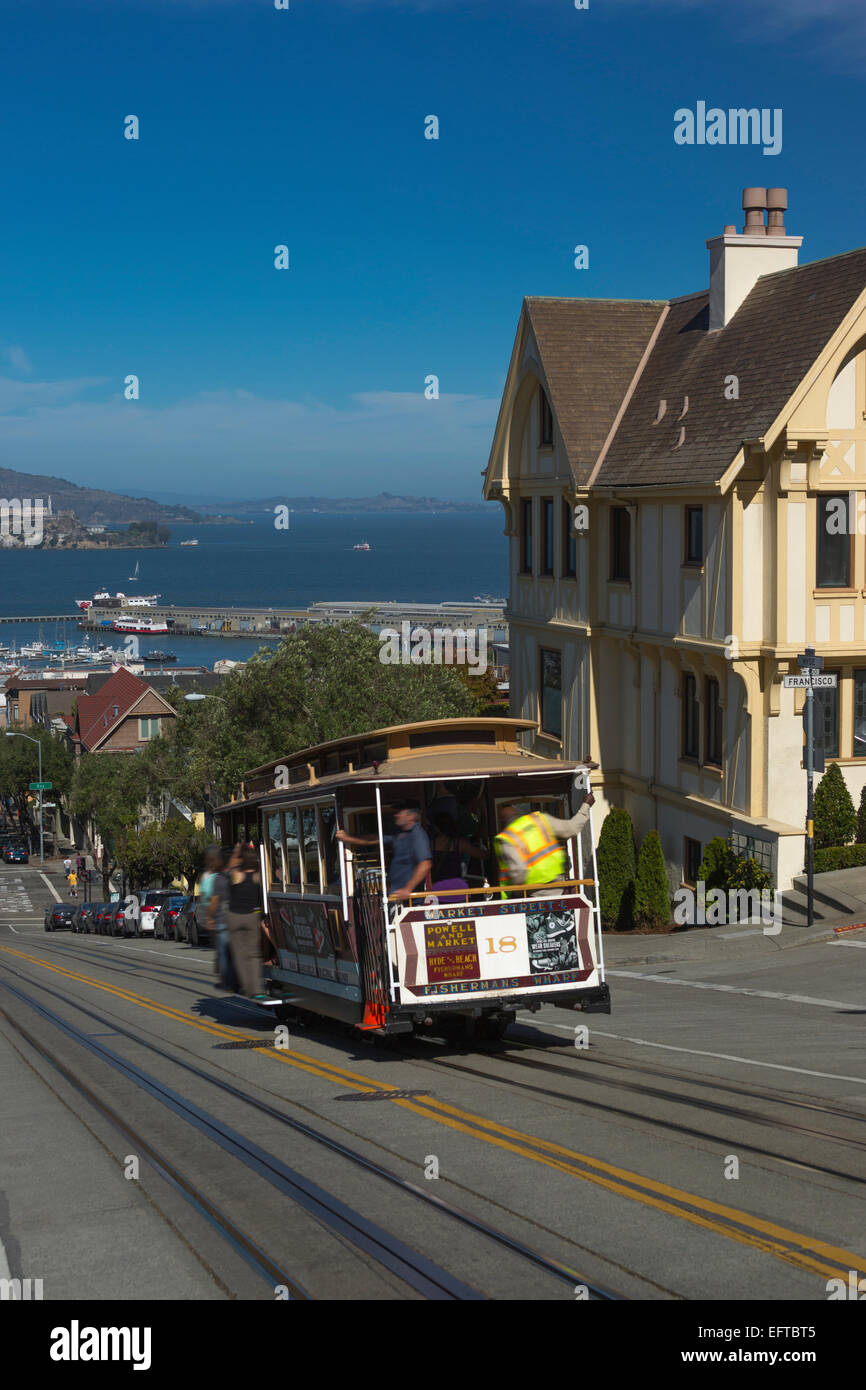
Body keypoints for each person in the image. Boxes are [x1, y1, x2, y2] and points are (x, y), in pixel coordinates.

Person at [494, 766, 599, 894]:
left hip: (533, 896)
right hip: (559, 888)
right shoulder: (539, 819)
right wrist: (586, 805)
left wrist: (516, 892)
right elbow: (571, 828)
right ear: (519, 813)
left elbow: (519, 873)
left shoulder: (507, 838)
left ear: (503, 821)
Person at [337, 800, 432, 904]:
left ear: (411, 816)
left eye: (400, 812)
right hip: (396, 896)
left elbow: (425, 864)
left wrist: (407, 889)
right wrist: (348, 838)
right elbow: (374, 839)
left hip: (409, 900)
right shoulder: (399, 834)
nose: (396, 815)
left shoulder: (418, 835)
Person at [225, 844, 266, 999]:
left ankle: (247, 988)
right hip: (251, 918)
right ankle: (257, 989)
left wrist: (236, 851)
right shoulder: (258, 876)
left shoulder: (236, 874)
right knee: (254, 955)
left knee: (240, 955)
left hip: (234, 917)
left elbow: (228, 868)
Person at [201, 846, 238, 991]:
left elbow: (212, 901)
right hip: (233, 918)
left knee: (223, 953)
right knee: (232, 952)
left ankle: (227, 982)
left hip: (221, 921)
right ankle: (235, 980)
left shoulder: (216, 878)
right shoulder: (233, 876)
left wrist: (209, 917)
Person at [429, 812, 486, 884]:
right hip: (455, 887)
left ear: (436, 828)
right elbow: (482, 855)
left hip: (437, 886)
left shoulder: (431, 844)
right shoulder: (459, 843)